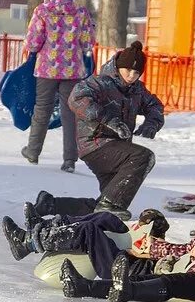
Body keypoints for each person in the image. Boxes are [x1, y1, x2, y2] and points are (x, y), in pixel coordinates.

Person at [59, 153, 195, 302]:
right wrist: (156, 248)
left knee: (169, 283)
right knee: (139, 278)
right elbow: (189, 250)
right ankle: (84, 287)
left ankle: (125, 292)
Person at [67, 41, 164, 220]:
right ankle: (108, 205)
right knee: (143, 157)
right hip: (95, 144)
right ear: (118, 67)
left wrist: (152, 123)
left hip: (118, 148)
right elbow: (76, 98)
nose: (131, 76)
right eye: (127, 70)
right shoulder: (101, 83)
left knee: (108, 207)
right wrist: (109, 120)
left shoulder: (137, 90)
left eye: (137, 72)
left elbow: (155, 106)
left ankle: (49, 204)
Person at [20, 0, 96, 173]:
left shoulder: (43, 10)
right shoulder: (80, 12)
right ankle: (69, 160)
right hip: (72, 70)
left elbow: (34, 42)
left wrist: (35, 49)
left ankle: (33, 151)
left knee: (42, 109)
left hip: (46, 70)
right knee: (70, 113)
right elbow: (88, 42)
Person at [1, 206, 170, 278]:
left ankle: (27, 243)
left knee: (88, 230)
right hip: (137, 257)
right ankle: (42, 226)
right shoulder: (193, 246)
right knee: (107, 218)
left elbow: (169, 265)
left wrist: (147, 251)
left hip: (129, 269)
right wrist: (155, 225)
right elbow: (170, 249)